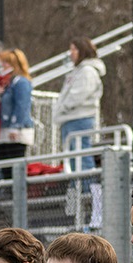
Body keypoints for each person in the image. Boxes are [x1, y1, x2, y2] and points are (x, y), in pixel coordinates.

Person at [54, 38, 106, 170]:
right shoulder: (78, 71)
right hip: (70, 119)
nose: (71, 53)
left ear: (83, 51)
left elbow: (78, 95)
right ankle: (77, 188)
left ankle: (87, 189)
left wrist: (63, 108)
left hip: (79, 119)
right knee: (73, 160)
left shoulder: (87, 71)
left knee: (81, 158)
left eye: (74, 49)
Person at [0, 49, 35, 179]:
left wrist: (15, 126)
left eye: (6, 63)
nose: (3, 66)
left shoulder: (21, 82)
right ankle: (10, 196)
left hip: (15, 131)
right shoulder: (6, 83)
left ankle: (97, 197)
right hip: (3, 129)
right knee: (5, 169)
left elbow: (22, 106)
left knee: (15, 169)